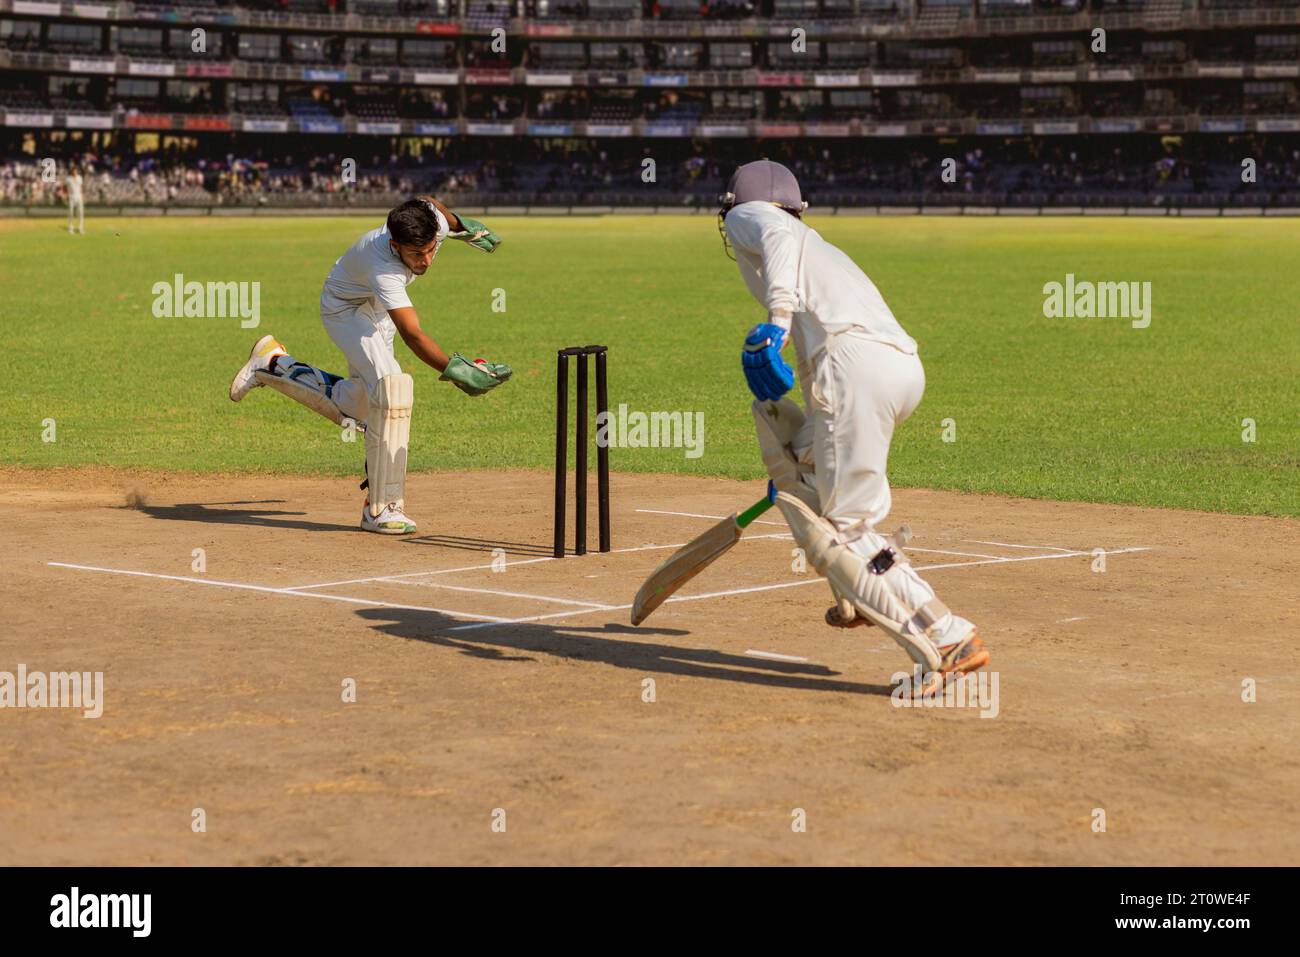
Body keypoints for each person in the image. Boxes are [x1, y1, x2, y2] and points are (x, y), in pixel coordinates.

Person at [719, 159, 988, 692]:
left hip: (854, 368)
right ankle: (863, 593)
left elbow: (773, 231)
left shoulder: (755, 218)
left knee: (837, 534)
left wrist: (773, 325)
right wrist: (803, 474)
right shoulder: (822, 255)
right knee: (809, 486)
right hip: (895, 370)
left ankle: (947, 640)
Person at [229, 196, 510, 534]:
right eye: (416, 255)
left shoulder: (432, 223)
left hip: (378, 312)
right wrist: (456, 370)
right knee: (392, 388)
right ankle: (382, 508)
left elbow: (430, 202)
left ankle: (274, 363)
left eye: (432, 250)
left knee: (362, 406)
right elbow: (413, 333)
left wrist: (464, 228)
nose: (427, 261)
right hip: (344, 310)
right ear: (395, 246)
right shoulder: (384, 267)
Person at [65, 165, 84, 234]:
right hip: (71, 197)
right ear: (72, 171)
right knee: (71, 213)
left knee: (81, 213)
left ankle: (80, 228)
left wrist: (83, 196)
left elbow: (81, 187)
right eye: (74, 170)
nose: (75, 172)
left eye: (76, 171)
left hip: (79, 197)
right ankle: (70, 227)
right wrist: (66, 195)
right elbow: (64, 187)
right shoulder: (68, 178)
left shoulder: (80, 178)